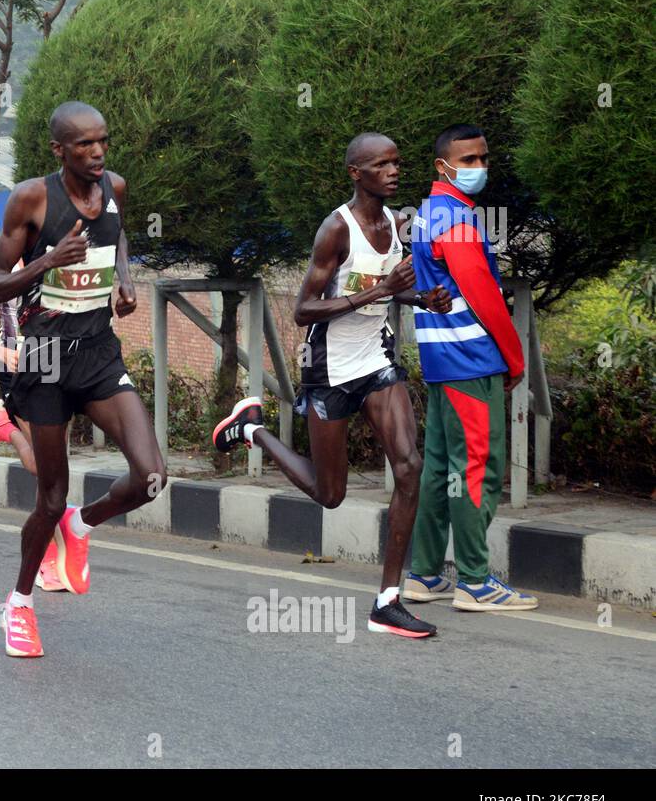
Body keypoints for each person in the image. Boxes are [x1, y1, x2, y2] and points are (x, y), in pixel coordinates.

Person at [213, 133, 451, 639]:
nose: (393, 171)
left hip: (376, 359)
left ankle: (388, 600)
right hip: (329, 369)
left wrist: (418, 299)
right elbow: (303, 311)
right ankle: (252, 430)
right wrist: (384, 292)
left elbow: (383, 287)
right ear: (355, 174)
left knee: (410, 467)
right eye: (381, 164)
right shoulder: (335, 231)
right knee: (330, 494)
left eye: (396, 163)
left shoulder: (392, 223)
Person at [0, 101, 166, 657]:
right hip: (44, 359)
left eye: (102, 142)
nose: (97, 153)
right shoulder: (32, 199)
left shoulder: (114, 186)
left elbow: (117, 236)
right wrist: (47, 261)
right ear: (57, 149)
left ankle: (83, 524)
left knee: (153, 476)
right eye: (84, 144)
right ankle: (18, 604)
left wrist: (126, 279)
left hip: (98, 353)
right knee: (48, 496)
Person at [405, 124, 536, 612]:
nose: (480, 168)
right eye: (470, 160)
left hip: (441, 361)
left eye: (484, 158)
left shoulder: (425, 215)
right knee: (476, 466)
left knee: (440, 468)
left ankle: (423, 573)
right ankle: (476, 582)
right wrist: (513, 358)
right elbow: (483, 297)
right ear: (444, 166)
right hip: (471, 358)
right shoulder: (457, 220)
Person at [0, 260, 65, 592]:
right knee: (44, 467)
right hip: (20, 370)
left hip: (60, 367)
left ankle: (1, 424)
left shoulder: (65, 257)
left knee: (56, 462)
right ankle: (48, 556)